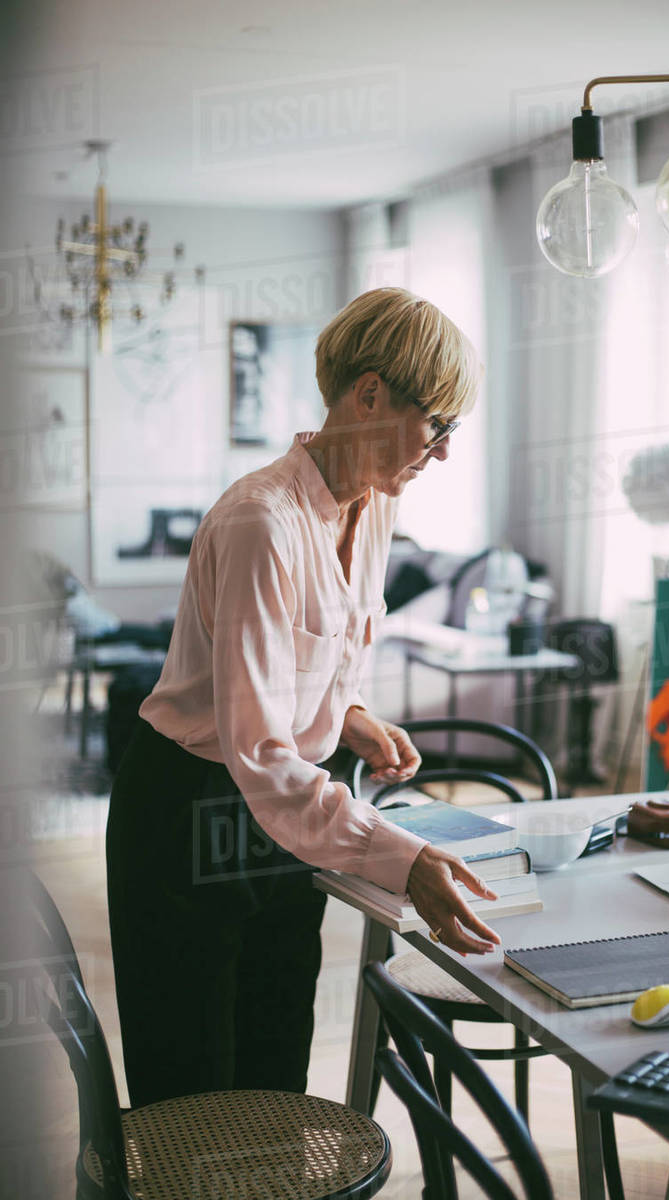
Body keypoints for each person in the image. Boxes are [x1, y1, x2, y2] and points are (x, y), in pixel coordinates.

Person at [106, 286, 501, 1108]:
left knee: (276, 1077)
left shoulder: (376, 507)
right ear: (368, 394)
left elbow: (297, 672)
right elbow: (257, 750)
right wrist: (402, 858)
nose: (445, 451)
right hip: (193, 812)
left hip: (288, 816)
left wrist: (347, 716)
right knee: (193, 1107)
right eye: (439, 425)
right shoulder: (261, 523)